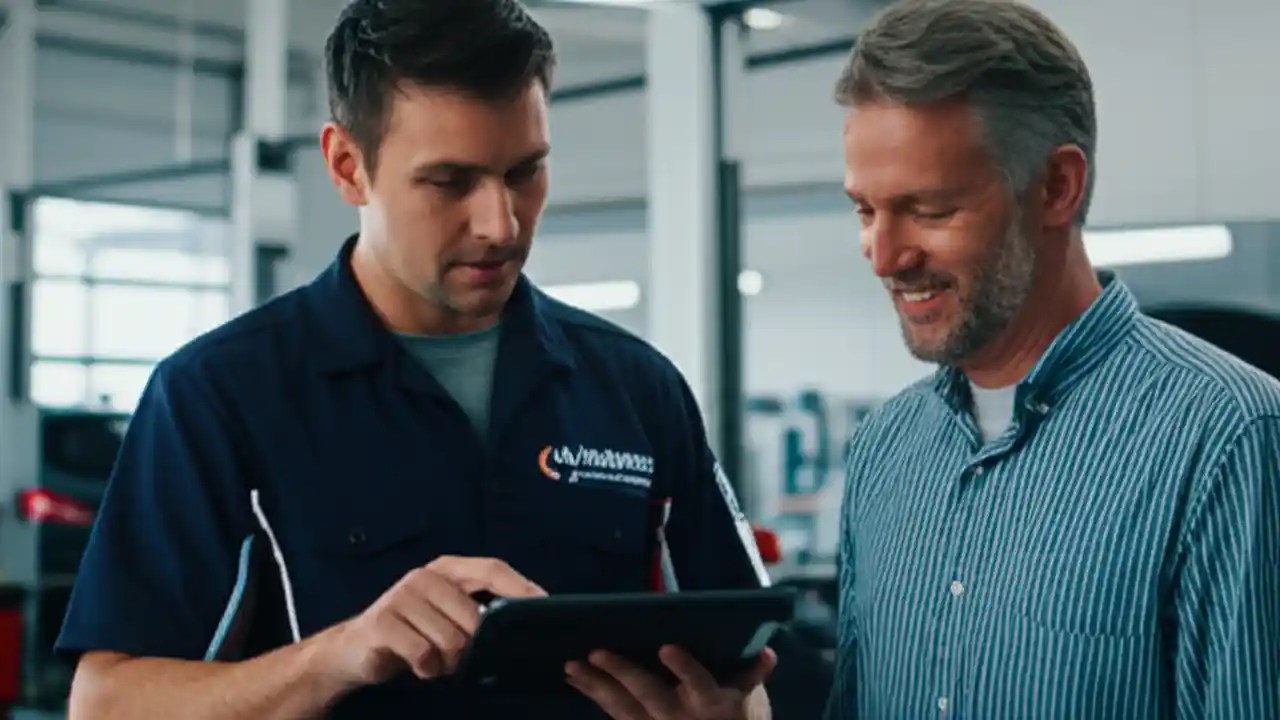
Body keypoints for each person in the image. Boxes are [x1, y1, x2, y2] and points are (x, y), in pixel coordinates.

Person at [55, 2, 777, 718]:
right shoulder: (218, 397)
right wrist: (339, 655)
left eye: (525, 172)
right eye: (450, 182)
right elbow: (105, 705)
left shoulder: (639, 390)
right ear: (348, 166)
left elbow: (748, 682)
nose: (500, 224)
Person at [825, 1, 1280, 718]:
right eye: (864, 210)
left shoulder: (1227, 439)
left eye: (930, 210)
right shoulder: (885, 449)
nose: (884, 256)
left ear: (1057, 187)